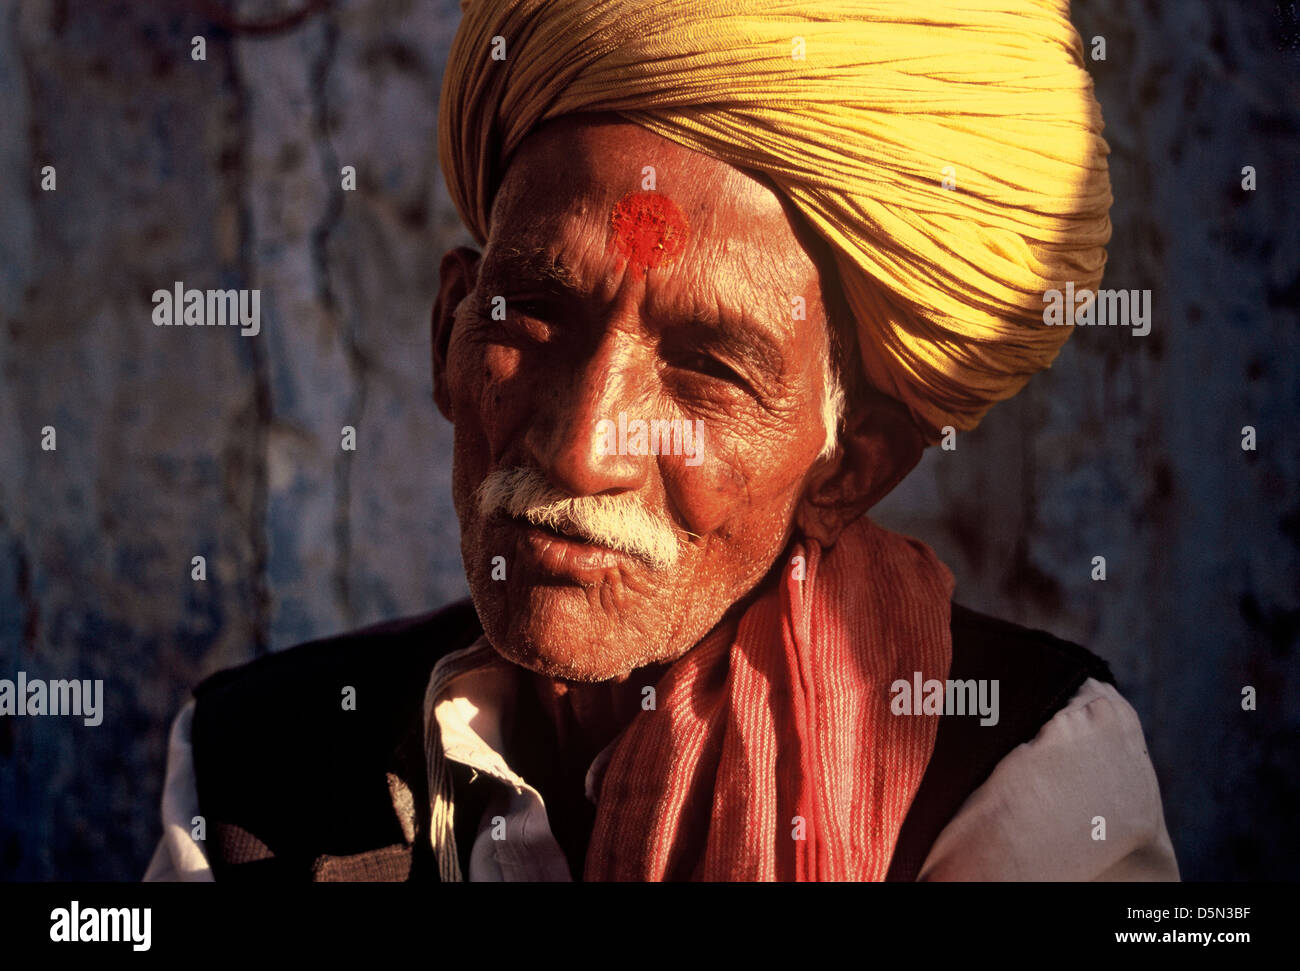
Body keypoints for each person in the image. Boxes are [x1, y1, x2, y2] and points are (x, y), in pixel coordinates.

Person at [145, 0, 1178, 882]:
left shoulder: (1021, 770)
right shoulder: (250, 760)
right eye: (530, 315)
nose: (583, 446)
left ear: (850, 461)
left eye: (710, 369)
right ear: (447, 331)